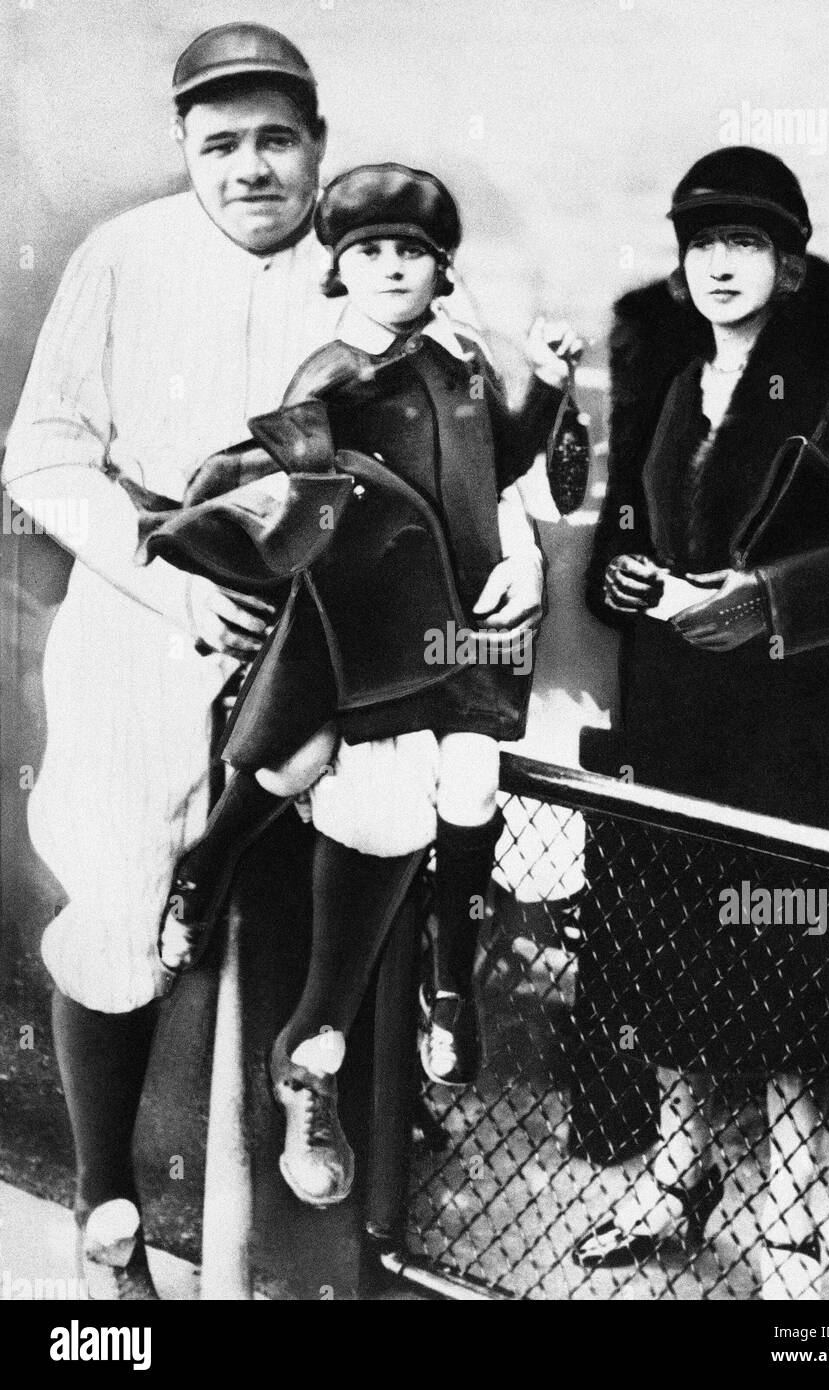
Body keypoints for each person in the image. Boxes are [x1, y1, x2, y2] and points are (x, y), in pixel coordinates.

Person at [2, 24, 541, 1299]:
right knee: (124, 897)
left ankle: (314, 1096)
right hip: (149, 624)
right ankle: (108, 1204)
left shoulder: (378, 264)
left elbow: (466, 441)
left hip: (339, 636)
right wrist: (165, 578)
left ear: (317, 145)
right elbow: (39, 455)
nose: (251, 167)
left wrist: (513, 547)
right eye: (221, 143)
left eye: (275, 140)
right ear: (186, 148)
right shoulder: (121, 257)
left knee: (373, 815)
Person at [147, 164, 580, 1181]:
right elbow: (283, 490)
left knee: (472, 784)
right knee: (299, 766)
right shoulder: (327, 375)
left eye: (413, 252)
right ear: (340, 270)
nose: (392, 266)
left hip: (463, 623)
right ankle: (208, 876)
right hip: (366, 624)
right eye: (369, 252)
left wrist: (551, 389)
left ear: (441, 271)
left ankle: (449, 982)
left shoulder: (459, 360)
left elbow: (504, 460)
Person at [579, 147, 829, 1298]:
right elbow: (620, 539)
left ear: (789, 266)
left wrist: (767, 602)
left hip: (776, 724)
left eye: (744, 243)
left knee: (782, 956)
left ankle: (788, 1218)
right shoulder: (660, 373)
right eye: (699, 244)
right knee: (669, 952)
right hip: (666, 717)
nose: (718, 265)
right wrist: (626, 579)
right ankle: (678, 1180)